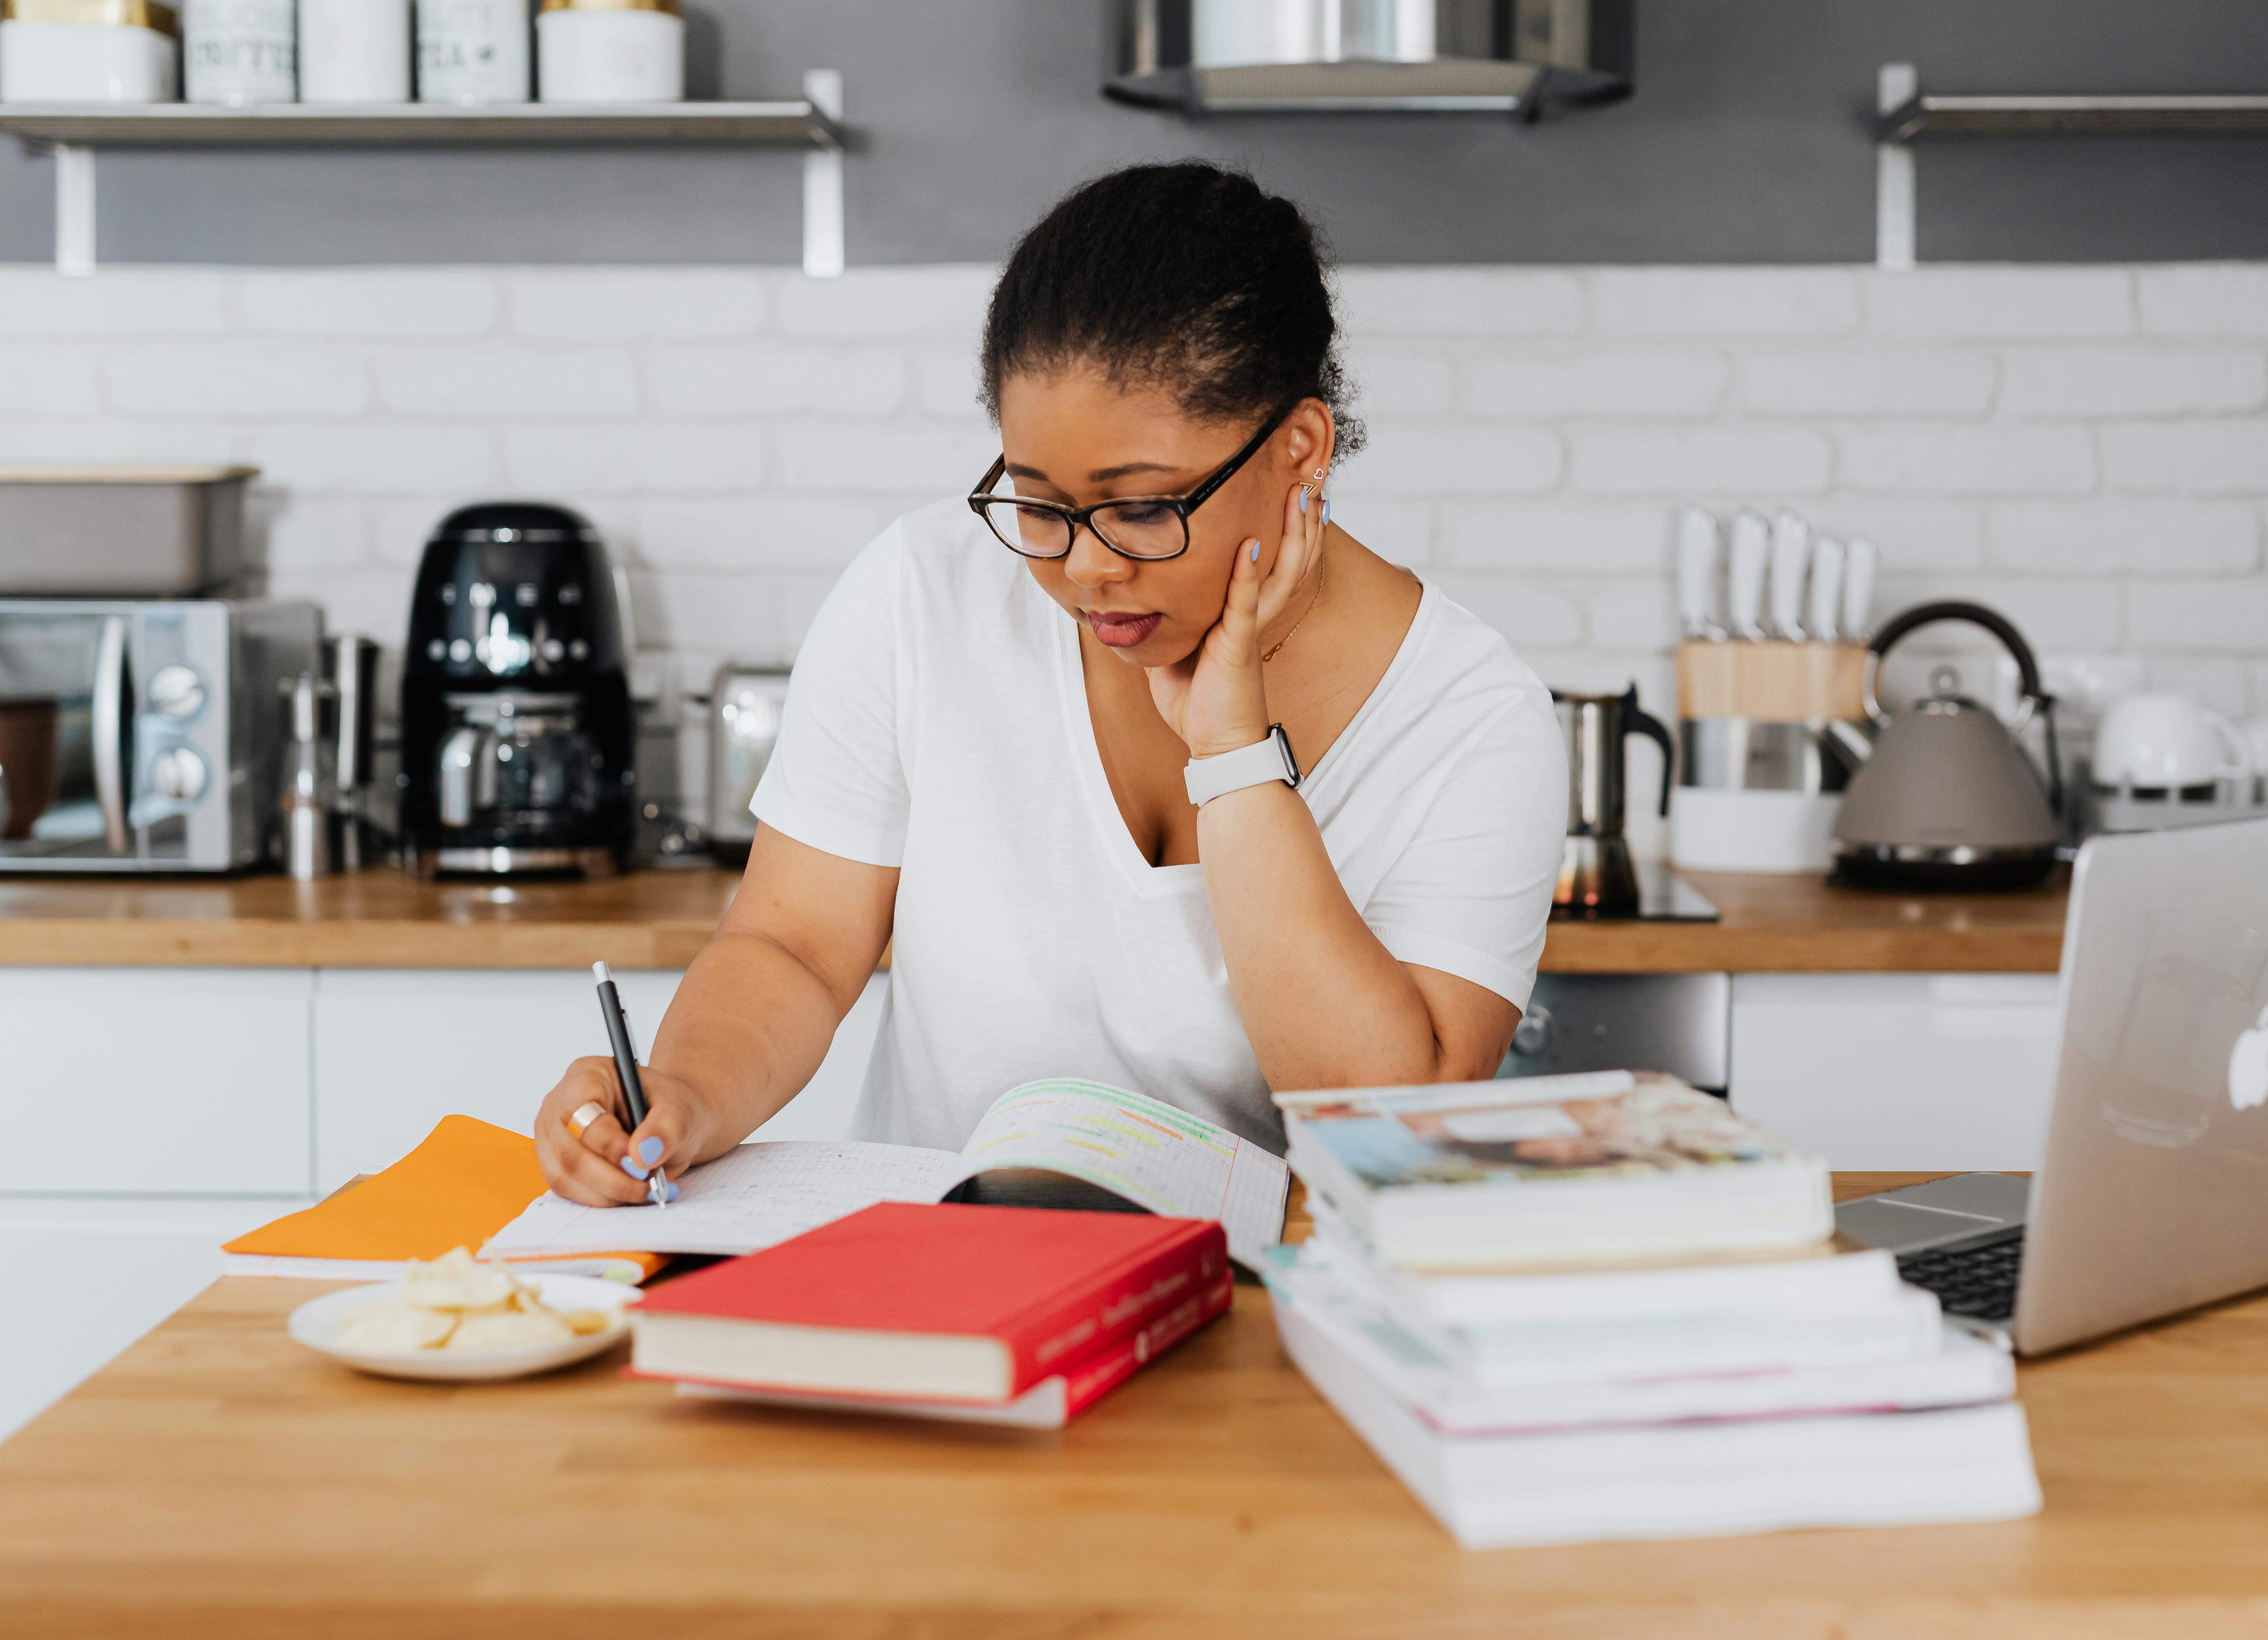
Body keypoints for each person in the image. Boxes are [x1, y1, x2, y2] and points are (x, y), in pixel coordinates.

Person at [534, 161, 1566, 1206]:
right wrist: (686, 1095)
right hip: (940, 1296)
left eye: (1141, 508)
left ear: (1299, 448)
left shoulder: (1469, 719)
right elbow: (793, 943)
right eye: (1037, 503)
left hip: (1256, 1330)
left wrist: (1236, 758)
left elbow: (1385, 1120)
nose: (1083, 569)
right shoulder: (921, 591)